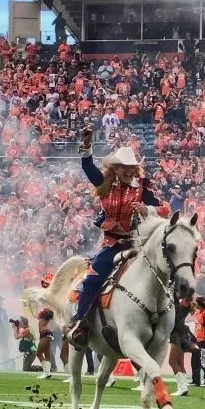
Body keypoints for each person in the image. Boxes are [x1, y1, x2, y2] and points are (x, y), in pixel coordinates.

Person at [67, 128, 168, 347]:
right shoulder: (105, 184)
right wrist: (86, 144)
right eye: (125, 168)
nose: (129, 172)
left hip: (137, 244)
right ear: (116, 168)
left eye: (132, 168)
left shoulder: (143, 188)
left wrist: (146, 209)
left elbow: (165, 209)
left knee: (165, 272)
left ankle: (174, 325)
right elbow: (87, 166)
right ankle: (81, 322)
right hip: (112, 244)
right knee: (94, 277)